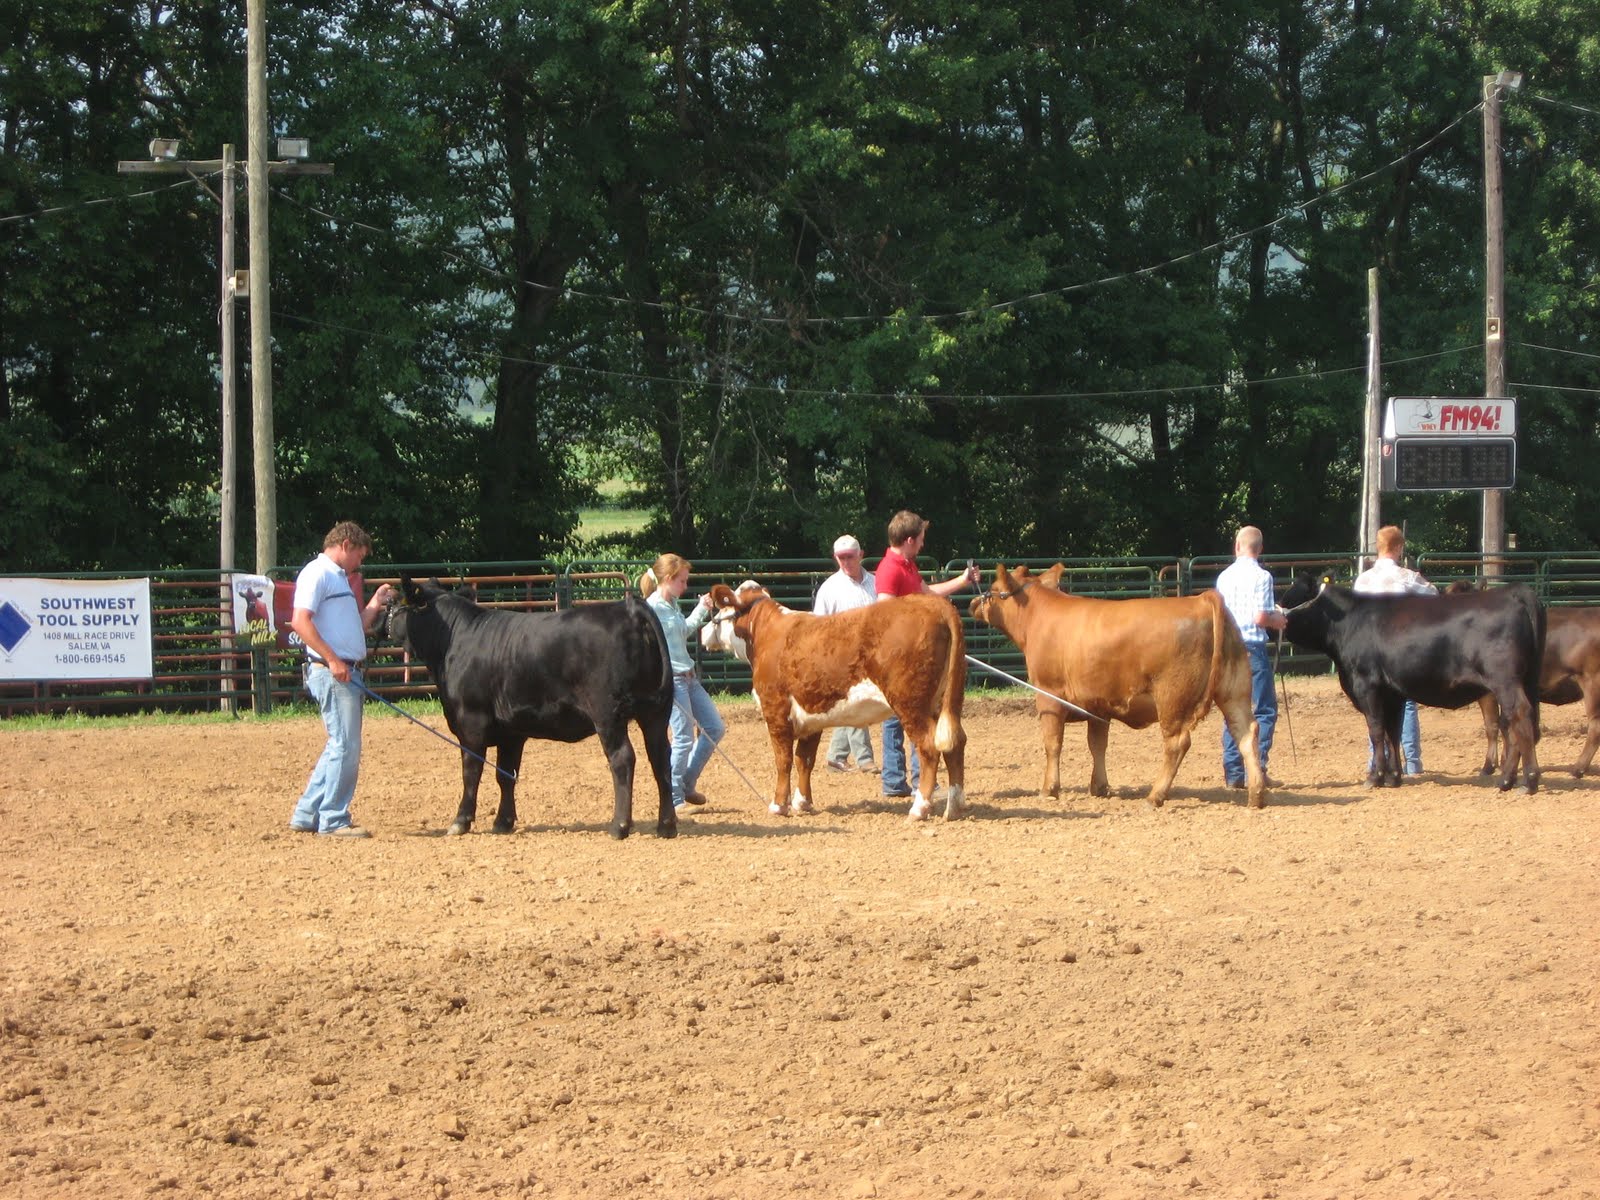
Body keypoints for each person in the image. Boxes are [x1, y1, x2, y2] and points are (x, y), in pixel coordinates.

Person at [288, 521, 394, 837]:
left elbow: (354, 625)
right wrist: (333, 659)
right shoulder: (317, 574)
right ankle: (333, 819)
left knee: (339, 745)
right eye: (359, 556)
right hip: (333, 671)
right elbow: (299, 622)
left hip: (343, 670)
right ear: (346, 545)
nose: (359, 564)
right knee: (345, 746)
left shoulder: (338, 579)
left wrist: (375, 602)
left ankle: (307, 814)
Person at [873, 511, 981, 799]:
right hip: (898, 658)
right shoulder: (889, 569)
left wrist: (962, 580)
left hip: (913, 657)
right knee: (898, 720)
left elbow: (927, 593)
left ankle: (921, 779)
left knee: (911, 717)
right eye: (920, 539)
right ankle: (896, 782)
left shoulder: (908, 565)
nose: (922, 544)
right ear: (909, 540)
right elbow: (885, 612)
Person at [641, 554, 726, 811]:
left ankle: (686, 782)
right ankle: (674, 797)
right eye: (682, 581)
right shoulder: (651, 608)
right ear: (668, 579)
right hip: (673, 680)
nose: (685, 586)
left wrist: (701, 608)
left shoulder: (672, 605)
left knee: (714, 727)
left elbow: (683, 630)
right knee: (683, 738)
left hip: (688, 677)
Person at [1354, 524, 1438, 775]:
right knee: (1407, 702)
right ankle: (1412, 762)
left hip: (1370, 650)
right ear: (1399, 548)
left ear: (1379, 548)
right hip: (1401, 648)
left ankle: (1376, 760)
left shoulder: (1363, 580)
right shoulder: (1407, 577)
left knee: (1374, 704)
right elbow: (1434, 594)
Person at [1216, 524, 1287, 789]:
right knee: (1264, 710)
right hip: (1252, 649)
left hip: (1227, 649)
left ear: (1237, 546)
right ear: (1260, 549)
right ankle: (1257, 769)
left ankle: (1233, 773)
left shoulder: (1224, 577)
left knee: (1233, 711)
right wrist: (1277, 619)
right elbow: (1260, 617)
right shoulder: (1262, 577)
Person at [813, 533, 879, 774]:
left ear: (860, 556)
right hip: (842, 656)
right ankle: (864, 758)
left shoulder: (875, 583)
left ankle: (836, 756)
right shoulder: (829, 588)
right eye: (841, 558)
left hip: (873, 653)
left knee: (854, 704)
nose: (845, 562)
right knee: (856, 700)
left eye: (850, 557)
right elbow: (818, 626)